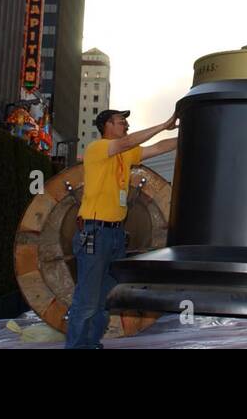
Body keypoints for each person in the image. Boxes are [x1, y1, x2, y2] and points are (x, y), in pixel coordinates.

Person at [65, 108, 178, 349]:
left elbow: (157, 149)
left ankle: (91, 343)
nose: (125, 125)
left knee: (104, 298)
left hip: (115, 234)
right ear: (107, 125)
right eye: (120, 122)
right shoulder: (97, 148)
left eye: (126, 122)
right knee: (87, 300)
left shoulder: (125, 155)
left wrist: (190, 134)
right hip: (94, 233)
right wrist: (163, 124)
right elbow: (127, 141)